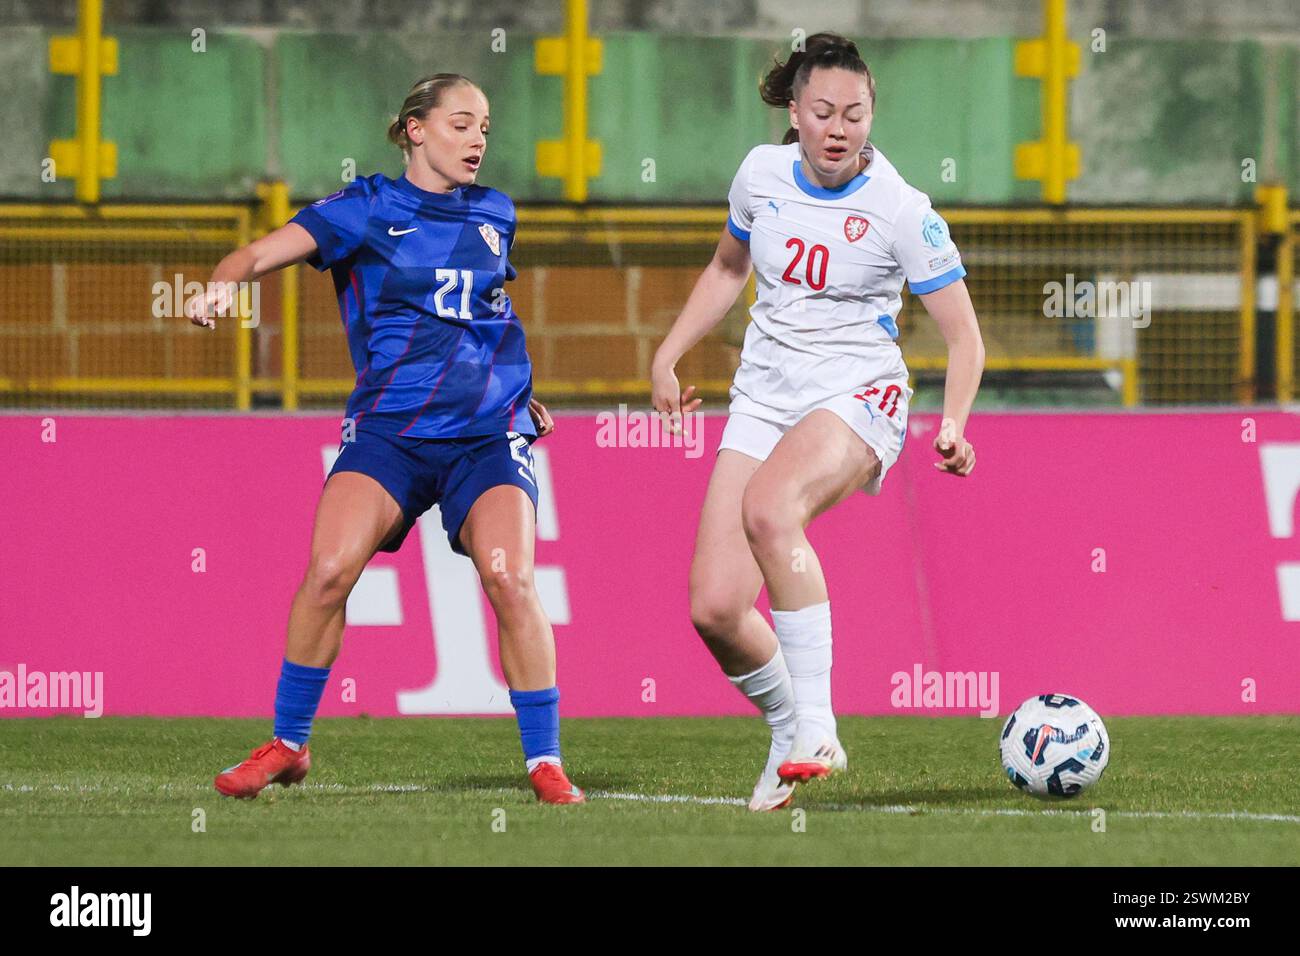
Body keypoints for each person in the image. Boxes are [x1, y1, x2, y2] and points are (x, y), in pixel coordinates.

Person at [189, 73, 584, 805]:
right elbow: (257, 255)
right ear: (415, 130)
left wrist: (517, 388)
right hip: (390, 433)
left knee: (509, 577)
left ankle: (545, 760)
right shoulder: (364, 209)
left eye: (485, 127)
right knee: (330, 570)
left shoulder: (496, 212)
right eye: (461, 124)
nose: (478, 139)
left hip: (485, 435)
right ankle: (289, 743)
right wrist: (221, 283)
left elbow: (486, 315)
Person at [651, 34, 984, 811]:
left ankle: (819, 726)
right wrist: (667, 354)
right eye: (825, 112)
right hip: (765, 397)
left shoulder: (902, 210)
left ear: (873, 117)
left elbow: (964, 337)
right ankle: (788, 728)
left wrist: (955, 424)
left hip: (859, 395)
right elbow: (728, 266)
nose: (840, 129)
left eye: (855, 114)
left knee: (770, 509)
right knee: (715, 608)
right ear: (795, 112)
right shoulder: (760, 176)